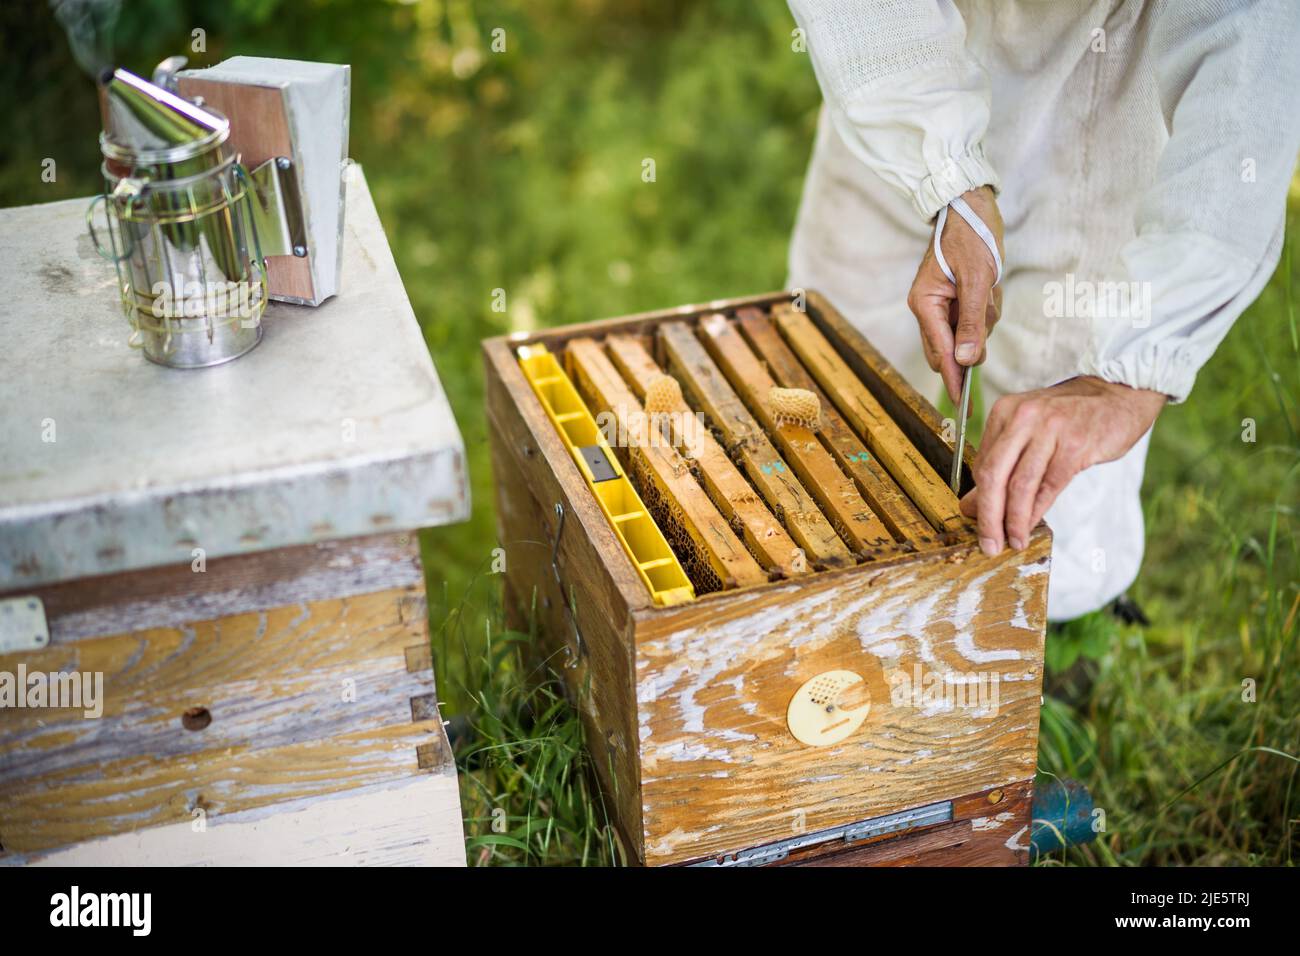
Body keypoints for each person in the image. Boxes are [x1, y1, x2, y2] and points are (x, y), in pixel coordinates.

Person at [786, 0, 1300, 620]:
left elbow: (1247, 60)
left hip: (1097, 93)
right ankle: (821, 606)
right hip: (899, 66)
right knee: (827, 368)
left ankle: (1040, 651)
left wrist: (1129, 376)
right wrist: (945, 178)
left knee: (1045, 495)